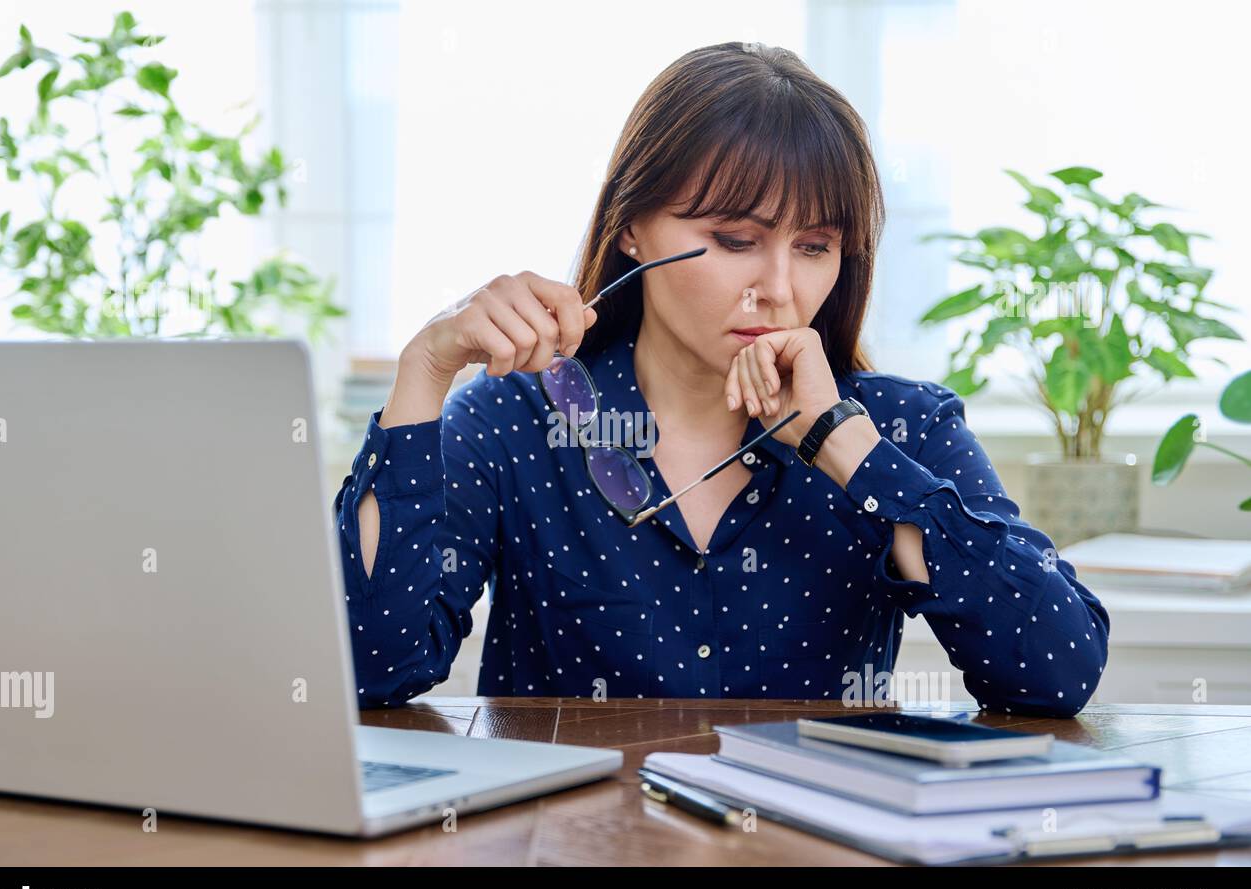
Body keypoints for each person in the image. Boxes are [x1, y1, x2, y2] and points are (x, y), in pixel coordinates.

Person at [333, 41, 1109, 716]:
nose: (778, 288)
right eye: (736, 238)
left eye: (813, 247)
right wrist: (425, 371)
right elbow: (372, 669)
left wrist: (849, 452)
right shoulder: (513, 419)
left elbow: (1058, 671)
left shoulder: (901, 427)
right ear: (631, 227)